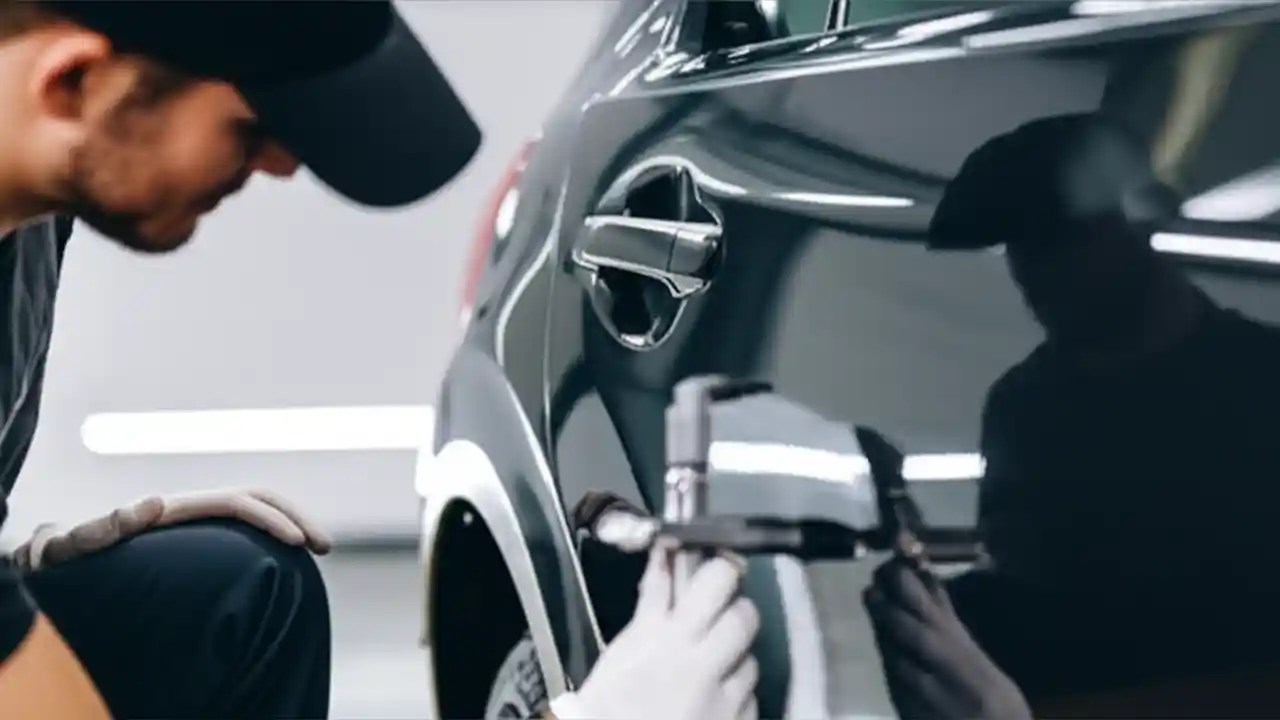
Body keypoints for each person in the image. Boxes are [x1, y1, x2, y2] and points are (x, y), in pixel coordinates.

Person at [0, 2, 762, 718]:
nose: (280, 164)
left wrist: (24, 562)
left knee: (235, 590)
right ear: (72, 84)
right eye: (253, 126)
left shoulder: (33, 223)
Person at [865, 112, 1280, 718]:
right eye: (1019, 247)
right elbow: (1032, 598)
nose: (1035, 272)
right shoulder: (1023, 406)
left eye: (1060, 238)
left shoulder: (1260, 382)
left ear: (1139, 227)